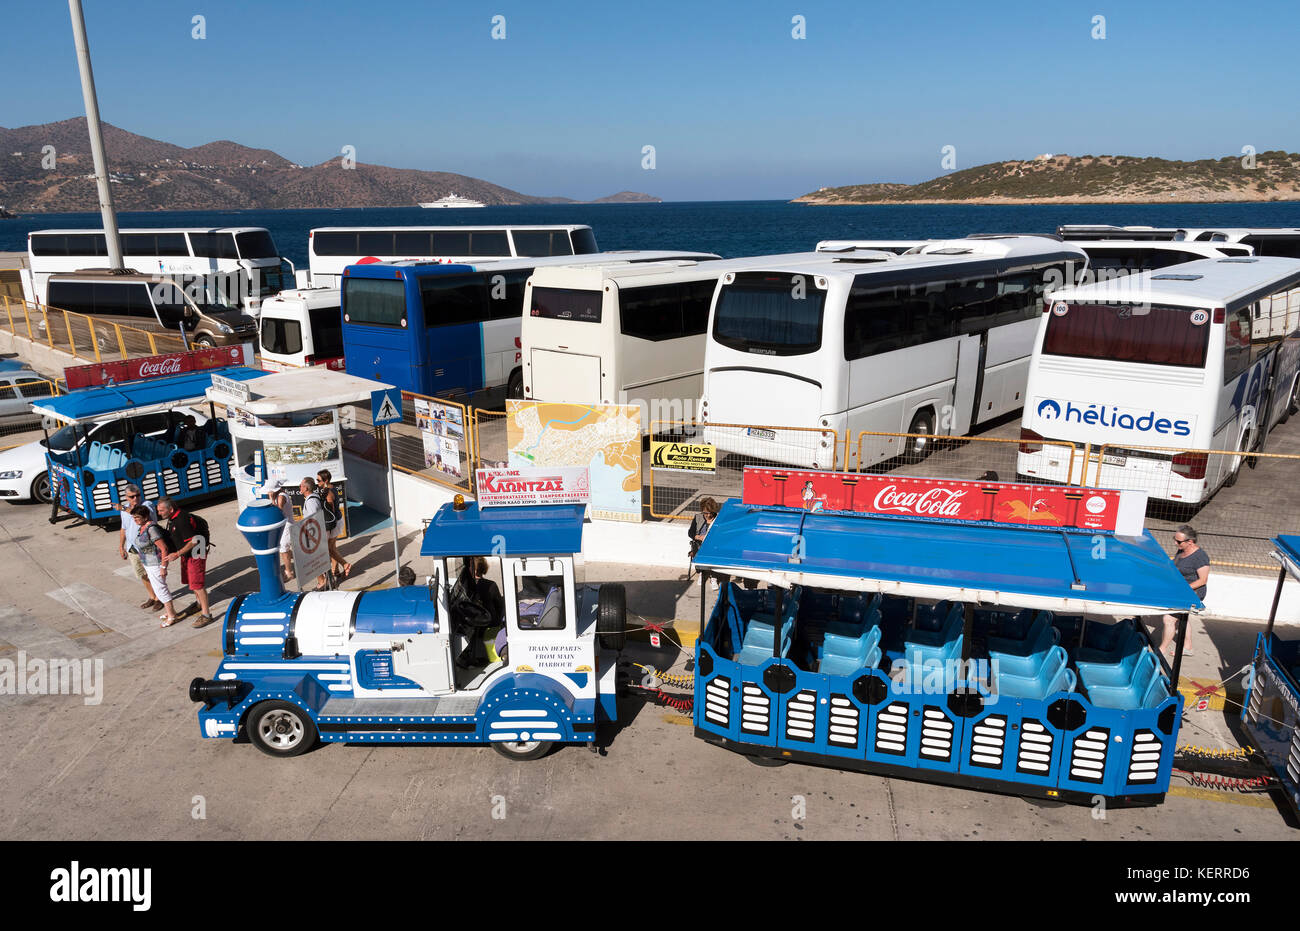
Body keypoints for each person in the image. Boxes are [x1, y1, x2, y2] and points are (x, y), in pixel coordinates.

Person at [158, 496, 214, 628]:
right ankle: (199, 604)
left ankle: (206, 615)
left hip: (196, 553)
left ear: (170, 509)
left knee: (197, 584)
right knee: (191, 581)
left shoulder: (181, 520)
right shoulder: (173, 519)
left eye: (161, 510)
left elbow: (194, 540)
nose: (159, 513)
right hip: (187, 553)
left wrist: (177, 554)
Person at [1158, 524, 1210, 658]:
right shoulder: (1182, 550)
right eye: (1174, 539)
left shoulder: (1200, 557)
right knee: (1182, 618)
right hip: (1180, 590)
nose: (1175, 543)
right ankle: (1188, 647)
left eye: (1178, 541)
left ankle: (1161, 650)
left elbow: (1203, 580)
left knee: (1168, 619)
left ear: (1190, 542)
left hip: (1192, 592)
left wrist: (1183, 589)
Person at [130, 504, 179, 627]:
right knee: (159, 588)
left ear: (145, 517)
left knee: (160, 589)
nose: (134, 520)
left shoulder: (151, 529)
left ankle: (172, 616)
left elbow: (164, 548)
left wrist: (163, 567)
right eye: (133, 517)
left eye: (137, 517)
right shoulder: (141, 527)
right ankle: (170, 612)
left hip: (156, 564)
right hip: (148, 564)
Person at [452, 556, 505, 667]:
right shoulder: (491, 585)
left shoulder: (467, 586)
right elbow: (500, 606)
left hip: (476, 623)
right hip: (490, 622)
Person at [117, 484, 159, 610]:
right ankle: (152, 596)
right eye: (132, 496)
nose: (136, 498)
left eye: (138, 495)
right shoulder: (124, 510)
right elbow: (123, 528)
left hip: (146, 546)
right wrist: (121, 546)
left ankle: (160, 598)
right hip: (132, 547)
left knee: (153, 574)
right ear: (127, 497)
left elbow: (142, 516)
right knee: (142, 574)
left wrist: (124, 508)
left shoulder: (147, 505)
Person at [317, 469, 351, 580]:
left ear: (325, 480)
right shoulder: (329, 488)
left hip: (334, 522)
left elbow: (330, 512)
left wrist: (330, 526)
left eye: (319, 480)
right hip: (337, 521)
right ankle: (335, 571)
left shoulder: (329, 493)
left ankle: (345, 564)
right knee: (332, 547)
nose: (317, 482)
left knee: (329, 548)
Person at [299, 476, 329, 591]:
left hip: (313, 536)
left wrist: (311, 537)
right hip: (315, 535)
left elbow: (313, 520)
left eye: (301, 486)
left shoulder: (311, 501)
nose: (299, 488)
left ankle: (322, 582)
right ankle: (325, 580)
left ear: (306, 488)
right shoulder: (312, 498)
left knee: (314, 561)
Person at [264, 479, 295, 583]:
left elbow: (277, 512)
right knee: (283, 549)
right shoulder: (280, 495)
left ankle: (289, 572)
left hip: (287, 525)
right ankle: (295, 560)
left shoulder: (281, 497)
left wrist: (272, 499)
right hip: (284, 525)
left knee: (284, 550)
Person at [688, 497, 719, 568]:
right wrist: (699, 537)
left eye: (711, 513)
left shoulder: (717, 518)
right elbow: (690, 532)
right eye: (705, 513)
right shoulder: (698, 517)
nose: (708, 515)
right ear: (702, 510)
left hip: (712, 545)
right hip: (699, 545)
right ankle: (704, 571)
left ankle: (709, 573)